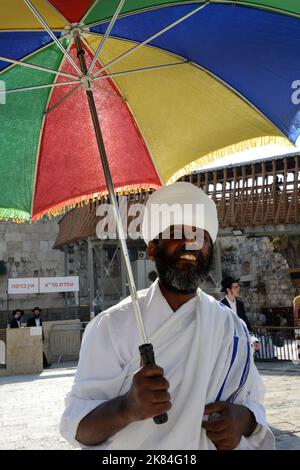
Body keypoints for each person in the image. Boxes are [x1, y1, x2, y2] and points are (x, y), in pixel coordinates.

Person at [60, 182, 274, 450]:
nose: (190, 244)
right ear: (152, 249)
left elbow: (253, 404)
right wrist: (126, 407)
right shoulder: (112, 326)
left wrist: (243, 420)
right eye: (177, 233)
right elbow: (78, 428)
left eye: (200, 236)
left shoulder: (231, 327)